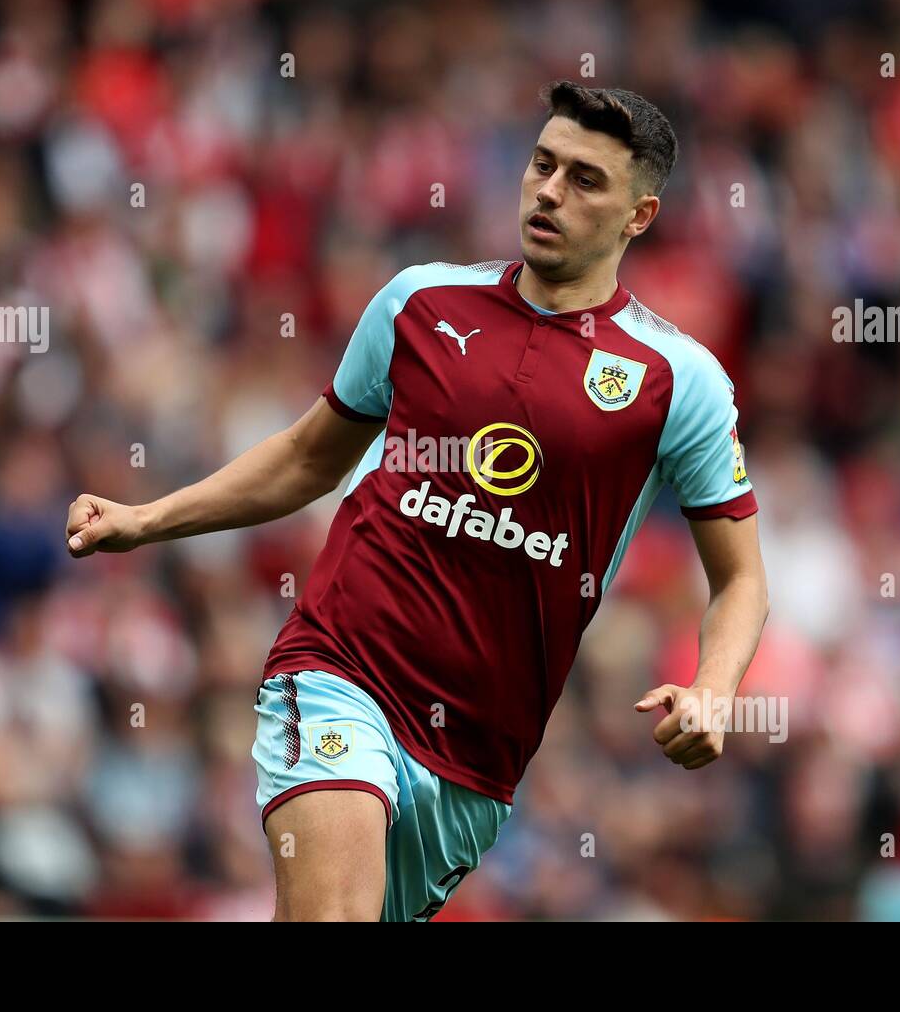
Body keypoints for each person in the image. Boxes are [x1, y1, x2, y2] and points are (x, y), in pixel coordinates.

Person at [65, 80, 769, 921]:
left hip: (477, 757)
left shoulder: (677, 380)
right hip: (340, 667)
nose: (549, 190)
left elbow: (741, 581)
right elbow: (305, 460)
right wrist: (146, 521)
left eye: (585, 180)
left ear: (638, 217)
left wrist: (713, 689)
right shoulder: (420, 301)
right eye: (542, 164)